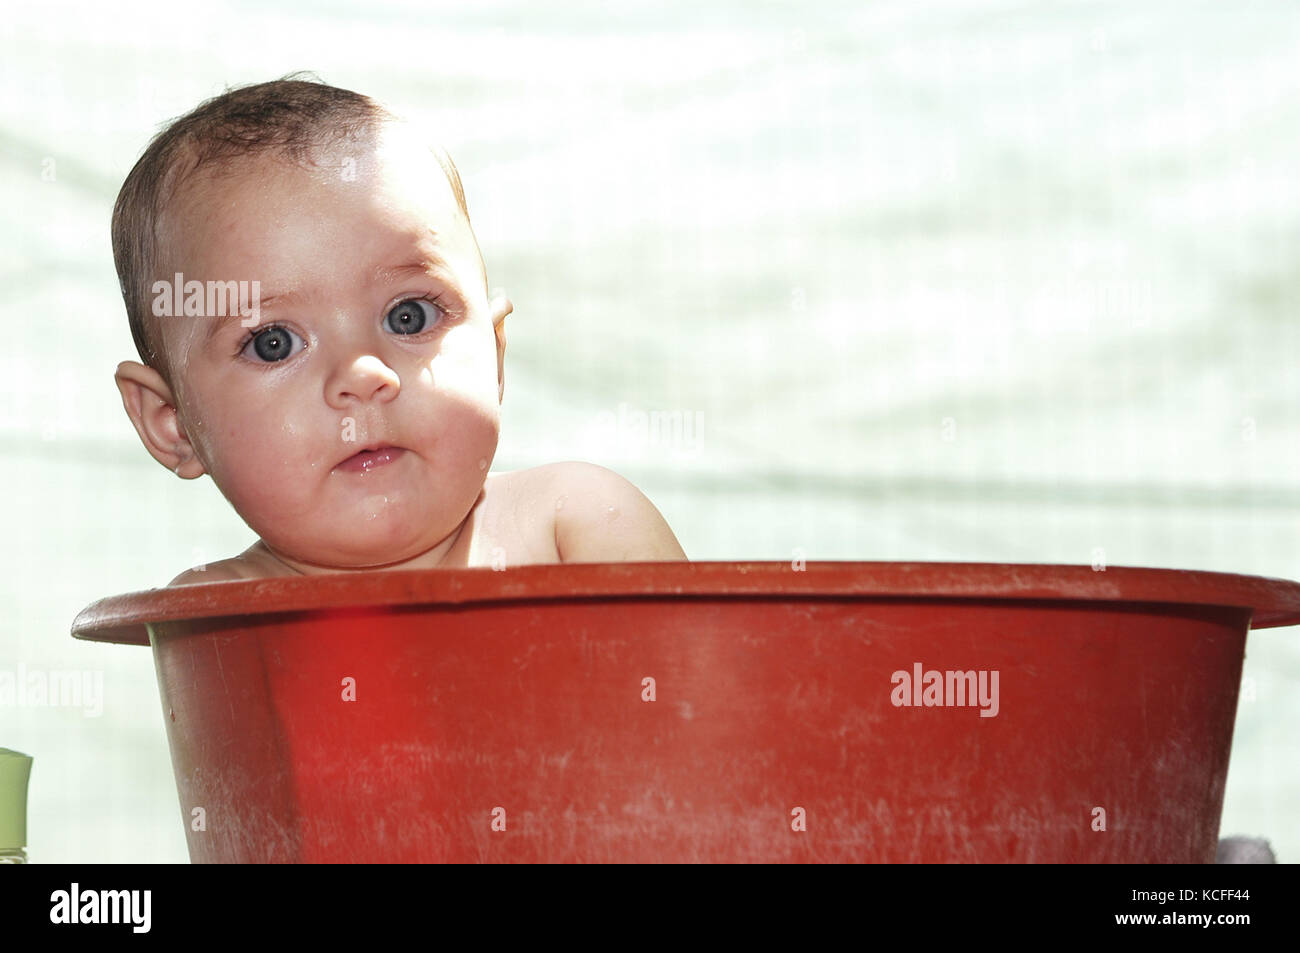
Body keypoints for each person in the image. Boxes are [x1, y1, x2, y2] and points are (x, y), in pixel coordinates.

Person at [110, 75, 686, 584]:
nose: (363, 375)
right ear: (175, 425)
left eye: (408, 316)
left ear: (496, 352)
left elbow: (704, 701)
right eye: (273, 343)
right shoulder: (221, 617)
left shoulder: (577, 530)